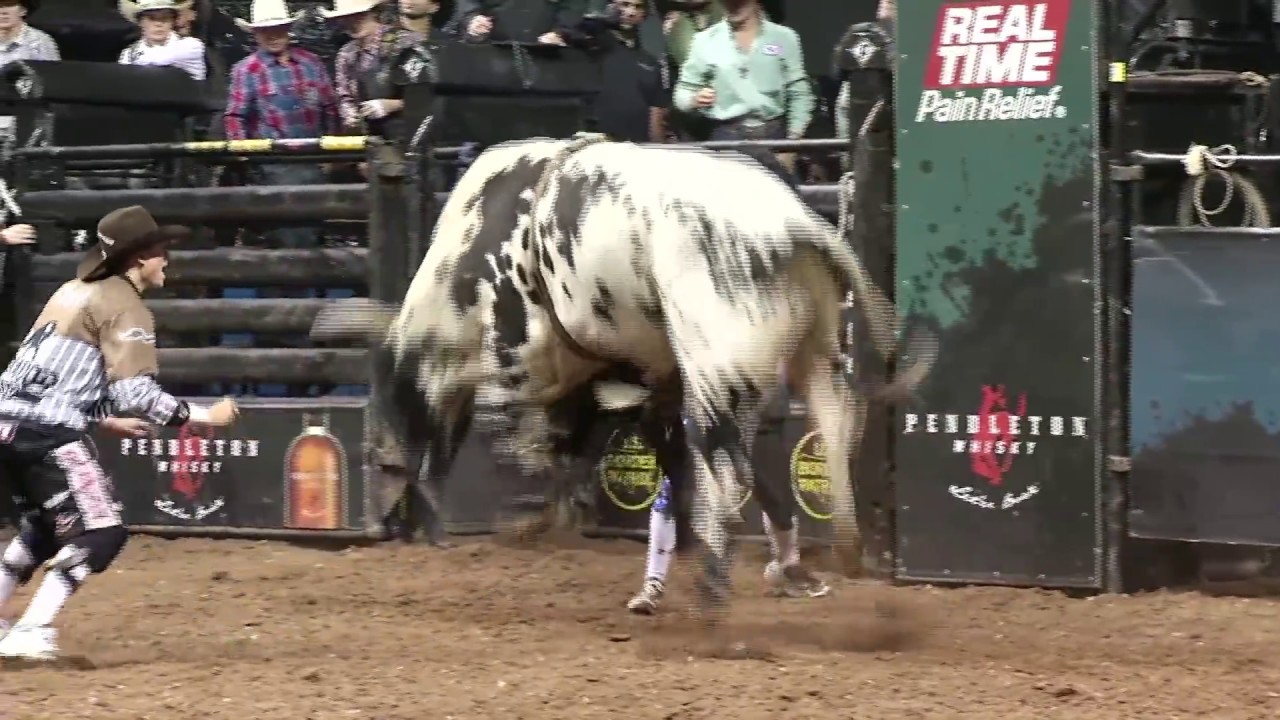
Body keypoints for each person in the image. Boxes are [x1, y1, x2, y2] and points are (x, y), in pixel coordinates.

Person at [0, 205, 240, 662]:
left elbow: (55, 376)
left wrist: (104, 417)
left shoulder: (72, 292)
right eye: (160, 252)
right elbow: (136, 390)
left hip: (7, 423)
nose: (166, 259)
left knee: (45, 527)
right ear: (138, 260)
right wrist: (205, 414)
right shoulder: (125, 305)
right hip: (46, 432)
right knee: (103, 533)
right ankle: (31, 629)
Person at [226, 0, 339, 249]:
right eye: (266, 30)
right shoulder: (246, 70)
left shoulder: (312, 63)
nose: (273, 35)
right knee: (290, 231)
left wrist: (332, 155)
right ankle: (292, 284)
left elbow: (330, 108)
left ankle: (305, 281)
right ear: (255, 34)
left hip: (314, 159)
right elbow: (235, 116)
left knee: (313, 227)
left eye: (279, 28)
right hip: (274, 163)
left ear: (288, 28)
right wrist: (244, 153)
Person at [672, 0, 812, 181]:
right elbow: (681, 94)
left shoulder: (783, 38)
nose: (733, 5)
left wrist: (791, 146)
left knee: (781, 205)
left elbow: (799, 92)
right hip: (727, 141)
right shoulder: (704, 41)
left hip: (775, 139)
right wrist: (694, 99)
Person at [323, 0, 422, 139]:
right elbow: (344, 95)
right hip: (372, 139)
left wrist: (392, 105)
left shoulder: (407, 43)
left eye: (360, 16)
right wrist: (351, 115)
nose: (353, 22)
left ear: (374, 13)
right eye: (347, 18)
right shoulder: (346, 53)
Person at [592, 0, 667, 144]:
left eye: (638, 7)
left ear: (644, 13)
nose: (631, 12)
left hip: (638, 146)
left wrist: (658, 148)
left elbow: (655, 109)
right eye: (625, 4)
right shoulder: (595, 46)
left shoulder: (650, 61)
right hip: (597, 144)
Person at [117, 0, 208, 81]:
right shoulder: (128, 54)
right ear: (140, 22)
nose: (158, 24)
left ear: (173, 22)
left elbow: (159, 60)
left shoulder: (192, 45)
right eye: (152, 18)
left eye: (165, 18)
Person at [455, 0, 585, 45]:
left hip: (544, 52)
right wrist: (471, 20)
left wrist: (560, 33)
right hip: (488, 49)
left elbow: (572, 8)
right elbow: (468, 5)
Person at [0, 0, 59, 65]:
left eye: (9, 5)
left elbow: (51, 73)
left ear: (23, 10)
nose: (3, 11)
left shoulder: (40, 41)